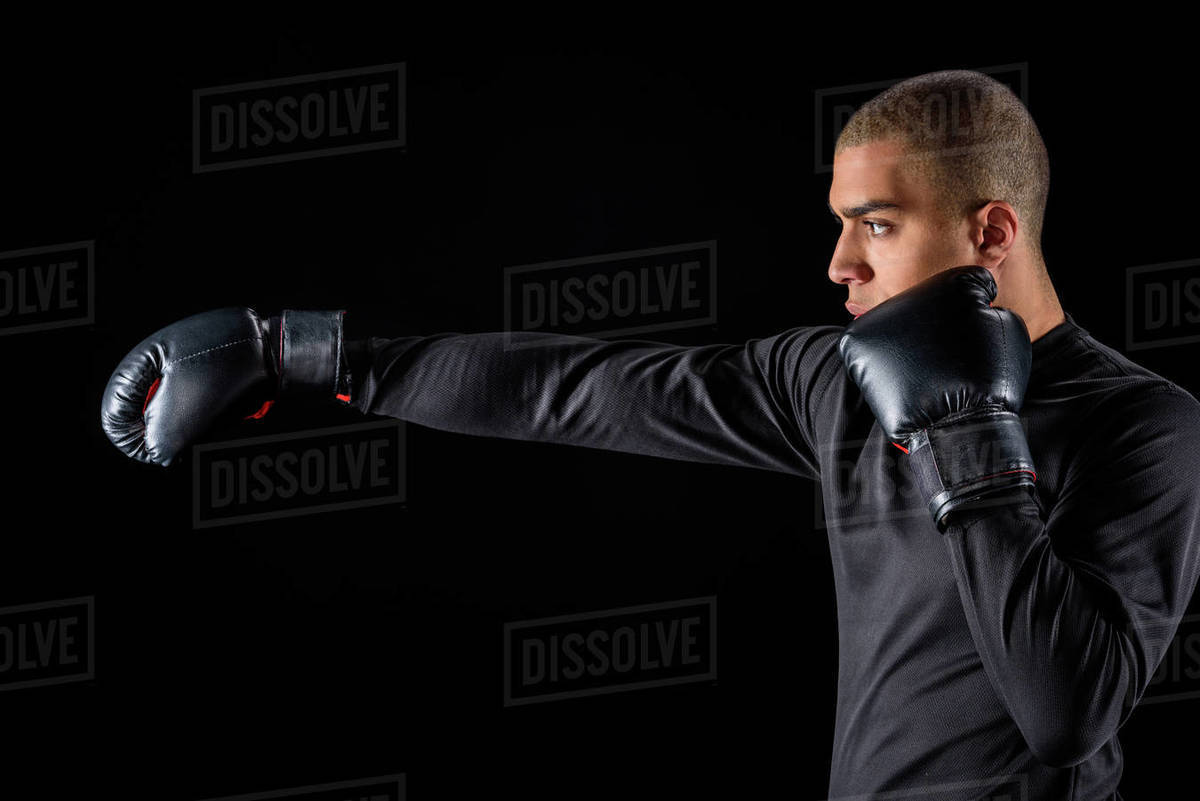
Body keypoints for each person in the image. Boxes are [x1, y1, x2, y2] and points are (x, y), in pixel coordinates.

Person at [100, 70, 1200, 800]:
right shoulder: (836, 382)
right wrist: (310, 352)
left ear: (990, 232)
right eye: (840, 225)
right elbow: (581, 390)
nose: (840, 268)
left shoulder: (1140, 424)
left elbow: (1069, 712)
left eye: (877, 225)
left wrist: (969, 434)